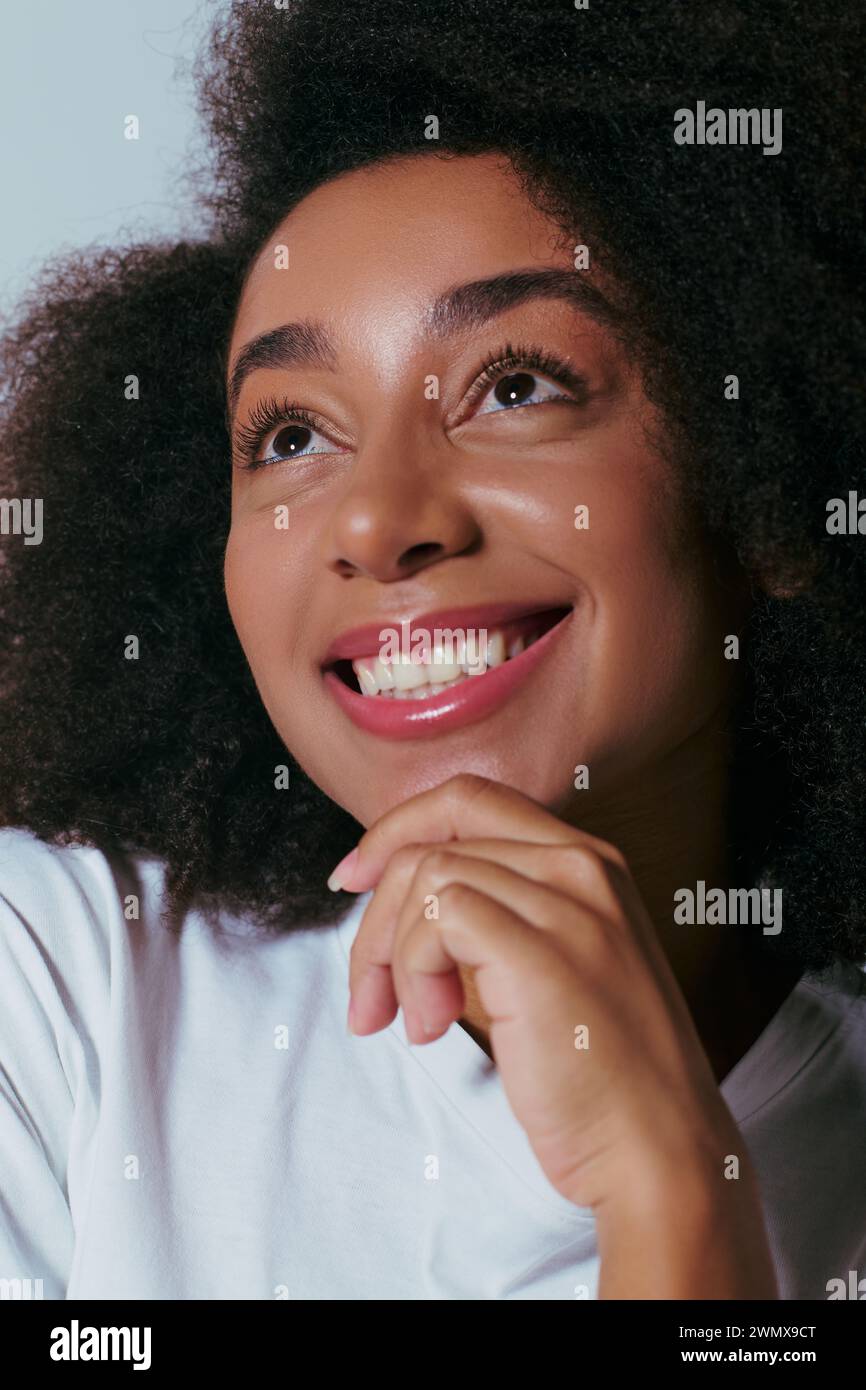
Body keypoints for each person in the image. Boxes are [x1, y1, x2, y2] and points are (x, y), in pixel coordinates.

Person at [0, 0, 863, 1301]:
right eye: (290, 434)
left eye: (513, 386)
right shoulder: (55, 990)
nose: (378, 522)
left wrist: (670, 1184)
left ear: (766, 491)